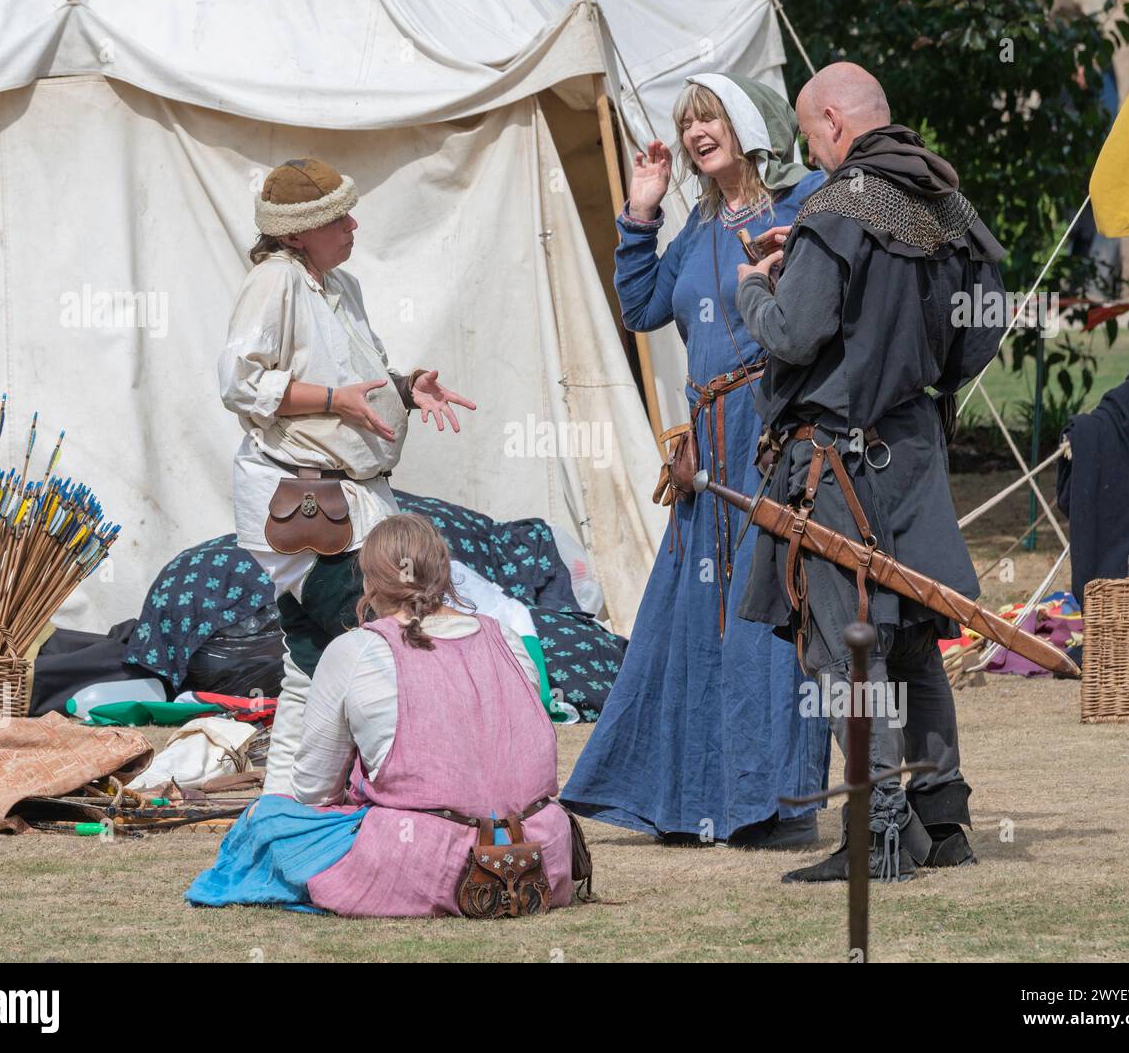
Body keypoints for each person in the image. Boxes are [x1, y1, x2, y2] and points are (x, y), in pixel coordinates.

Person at [732, 62, 1005, 881]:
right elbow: (982, 324)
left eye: (811, 137)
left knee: (853, 646)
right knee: (914, 639)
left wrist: (754, 285)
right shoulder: (950, 207)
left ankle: (878, 834)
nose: (811, 154)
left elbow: (791, 332)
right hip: (913, 448)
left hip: (837, 461)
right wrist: (920, 374)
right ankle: (942, 823)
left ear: (833, 124)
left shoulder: (839, 205)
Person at [560, 74, 832, 848]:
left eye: (707, 116)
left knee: (765, 618)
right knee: (687, 623)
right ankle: (686, 799)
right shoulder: (696, 228)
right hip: (704, 444)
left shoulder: (799, 206)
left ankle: (777, 805)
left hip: (769, 432)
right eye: (686, 124)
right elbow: (643, 309)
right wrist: (642, 211)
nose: (693, 133)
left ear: (742, 123)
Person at [218, 158, 475, 794]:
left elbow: (356, 376)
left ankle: (287, 809)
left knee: (310, 660)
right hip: (301, 496)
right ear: (298, 232)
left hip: (353, 494)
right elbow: (239, 382)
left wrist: (406, 389)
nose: (353, 225)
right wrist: (335, 401)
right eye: (337, 218)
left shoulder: (341, 285)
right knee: (374, 635)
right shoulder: (274, 281)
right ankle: (403, 792)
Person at [189, 513, 573, 917]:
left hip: (428, 862)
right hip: (541, 856)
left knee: (269, 817)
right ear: (445, 572)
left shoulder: (356, 650)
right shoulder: (505, 636)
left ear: (368, 582)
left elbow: (315, 791)